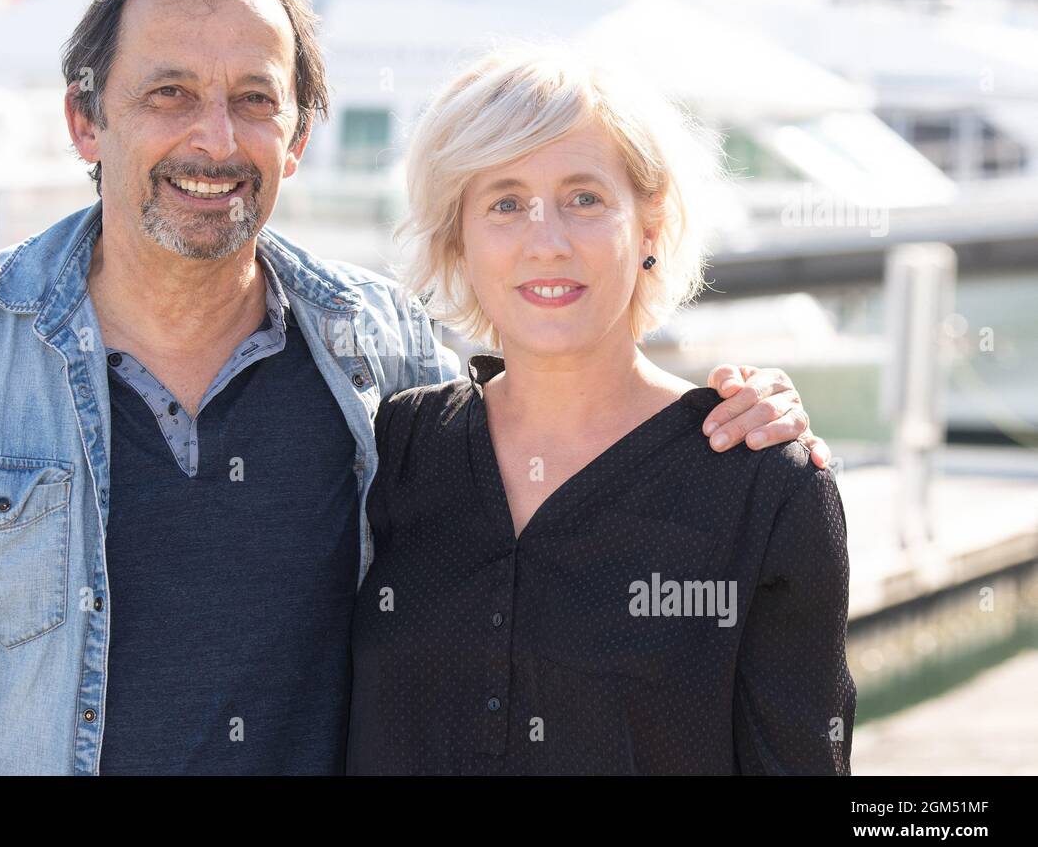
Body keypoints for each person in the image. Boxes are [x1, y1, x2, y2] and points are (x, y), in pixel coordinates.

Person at [0, 0, 827, 776]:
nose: (215, 139)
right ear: (85, 121)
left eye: (253, 101)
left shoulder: (384, 357)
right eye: (169, 93)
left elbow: (555, 399)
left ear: (299, 137)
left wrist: (735, 416)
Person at [347, 44, 856, 774]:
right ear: (458, 240)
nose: (545, 242)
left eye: (584, 199)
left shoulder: (764, 487)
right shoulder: (395, 448)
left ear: (649, 229)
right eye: (506, 203)